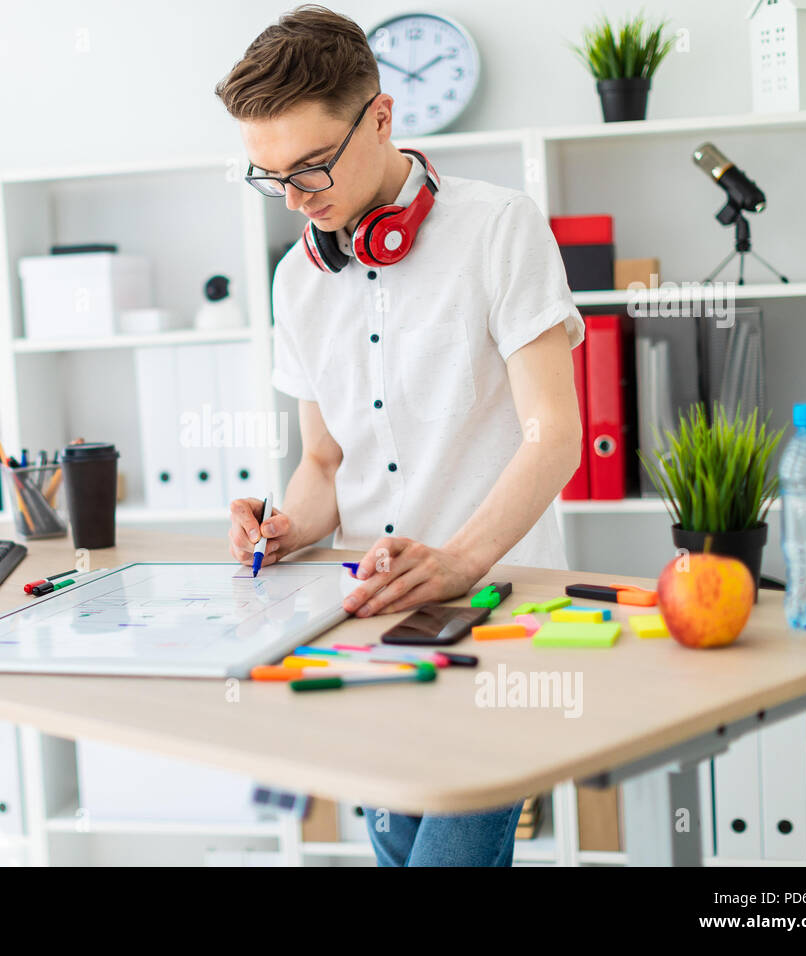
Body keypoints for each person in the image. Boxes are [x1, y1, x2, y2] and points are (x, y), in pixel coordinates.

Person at [214, 5, 584, 867]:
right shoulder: (296, 280)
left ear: (381, 117)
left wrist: (458, 562)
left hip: (495, 613)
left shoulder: (499, 228)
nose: (297, 200)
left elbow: (554, 435)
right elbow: (322, 463)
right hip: (366, 621)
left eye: (310, 168)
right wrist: (286, 525)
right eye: (270, 178)